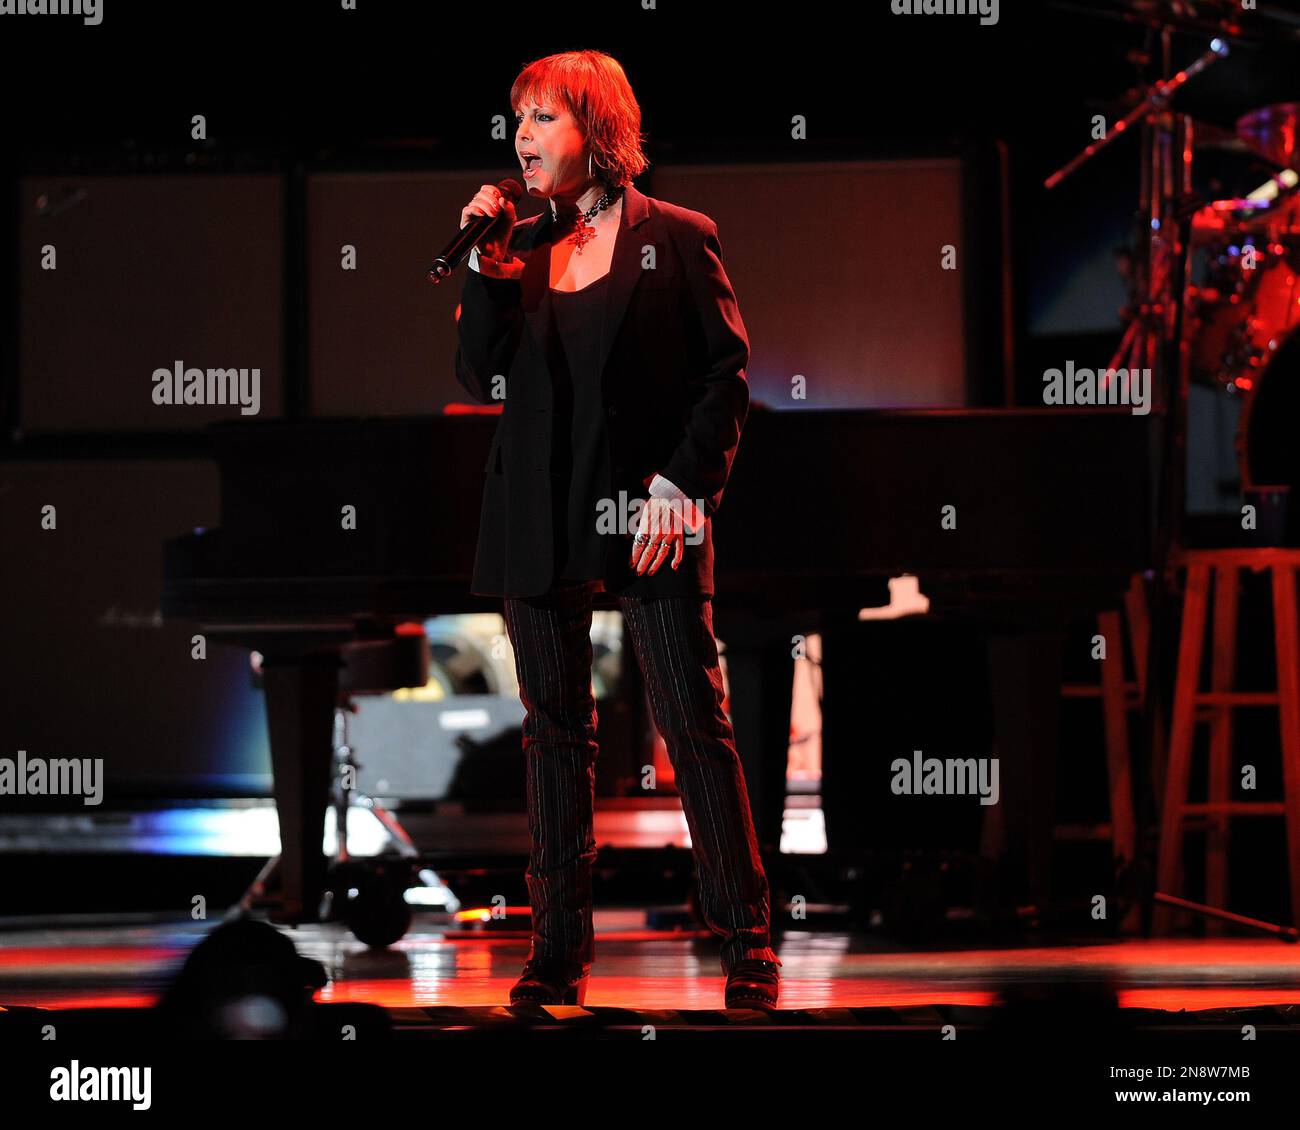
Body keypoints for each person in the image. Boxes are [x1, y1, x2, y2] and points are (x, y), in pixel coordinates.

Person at [453, 49, 781, 1010]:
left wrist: (685, 483)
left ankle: (747, 940)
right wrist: (483, 271)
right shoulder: (518, 246)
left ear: (597, 129)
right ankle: (556, 953)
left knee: (693, 720)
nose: (522, 137)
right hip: (538, 513)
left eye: (544, 117)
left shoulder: (676, 236)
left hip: (648, 511)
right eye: (518, 119)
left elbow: (725, 375)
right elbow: (480, 376)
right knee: (554, 734)